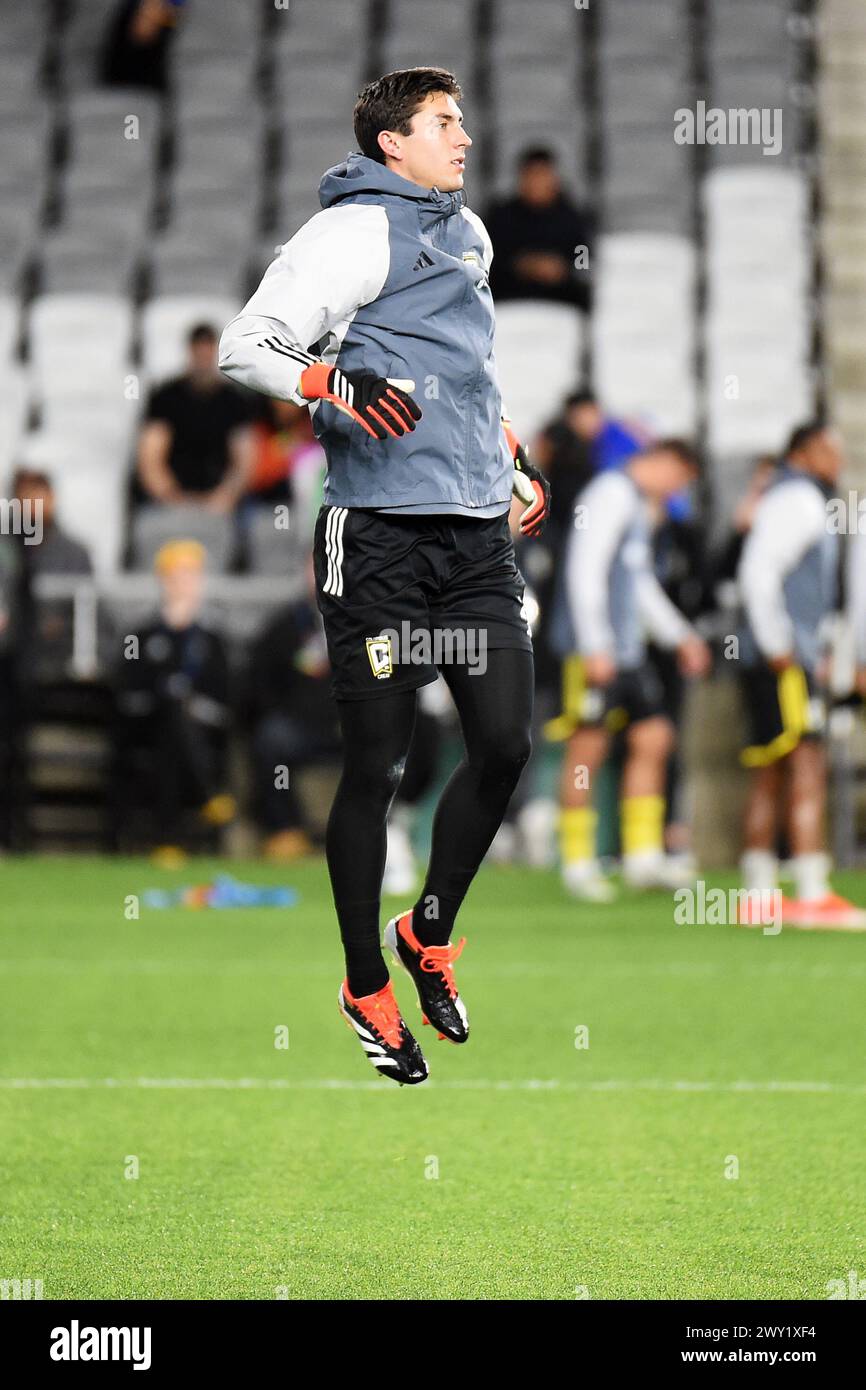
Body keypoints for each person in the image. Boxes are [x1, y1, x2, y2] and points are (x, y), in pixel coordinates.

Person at [219, 66, 550, 1085]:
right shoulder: (350, 234)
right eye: (443, 121)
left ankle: (428, 933)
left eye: (460, 116)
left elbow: (465, 372)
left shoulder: (470, 234)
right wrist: (328, 376)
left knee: (503, 745)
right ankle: (366, 982)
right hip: (376, 542)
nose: (462, 134)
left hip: (471, 537)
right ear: (390, 144)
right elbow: (247, 348)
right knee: (379, 766)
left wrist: (509, 457)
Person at [546, 440, 710, 901]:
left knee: (654, 737)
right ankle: (577, 863)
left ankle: (642, 858)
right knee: (588, 748)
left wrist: (680, 635)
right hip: (595, 649)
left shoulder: (636, 503)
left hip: (628, 651)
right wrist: (595, 643)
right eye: (679, 479)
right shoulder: (611, 493)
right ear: (665, 463)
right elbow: (585, 570)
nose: (676, 490)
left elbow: (637, 583)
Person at [737, 422, 864, 926]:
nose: (838, 460)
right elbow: (760, 571)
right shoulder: (800, 501)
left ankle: (758, 893)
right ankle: (811, 890)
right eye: (830, 450)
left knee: (774, 768)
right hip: (784, 658)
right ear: (805, 452)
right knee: (806, 762)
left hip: (781, 654)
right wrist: (778, 643)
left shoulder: (791, 497)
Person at [114, 539, 234, 862]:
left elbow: (225, 697)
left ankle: (169, 840)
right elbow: (128, 691)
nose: (183, 584)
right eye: (176, 576)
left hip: (201, 729)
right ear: (163, 581)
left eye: (190, 575)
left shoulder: (212, 639)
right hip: (150, 725)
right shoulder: (141, 636)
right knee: (170, 714)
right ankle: (206, 794)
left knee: (177, 723)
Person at [136, 324, 255, 511]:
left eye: (207, 354)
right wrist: (172, 498)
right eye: (199, 354)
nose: (203, 361)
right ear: (190, 352)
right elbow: (150, 459)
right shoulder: (165, 398)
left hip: (222, 502)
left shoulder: (234, 401)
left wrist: (224, 497)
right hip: (170, 500)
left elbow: (244, 461)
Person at [484, 147, 593, 310]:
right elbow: (486, 261)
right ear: (521, 179)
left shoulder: (573, 218)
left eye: (542, 175)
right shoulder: (500, 217)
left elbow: (584, 258)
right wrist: (523, 266)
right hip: (510, 301)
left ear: (554, 178)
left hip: (561, 301)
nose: (537, 182)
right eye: (531, 175)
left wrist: (564, 269)